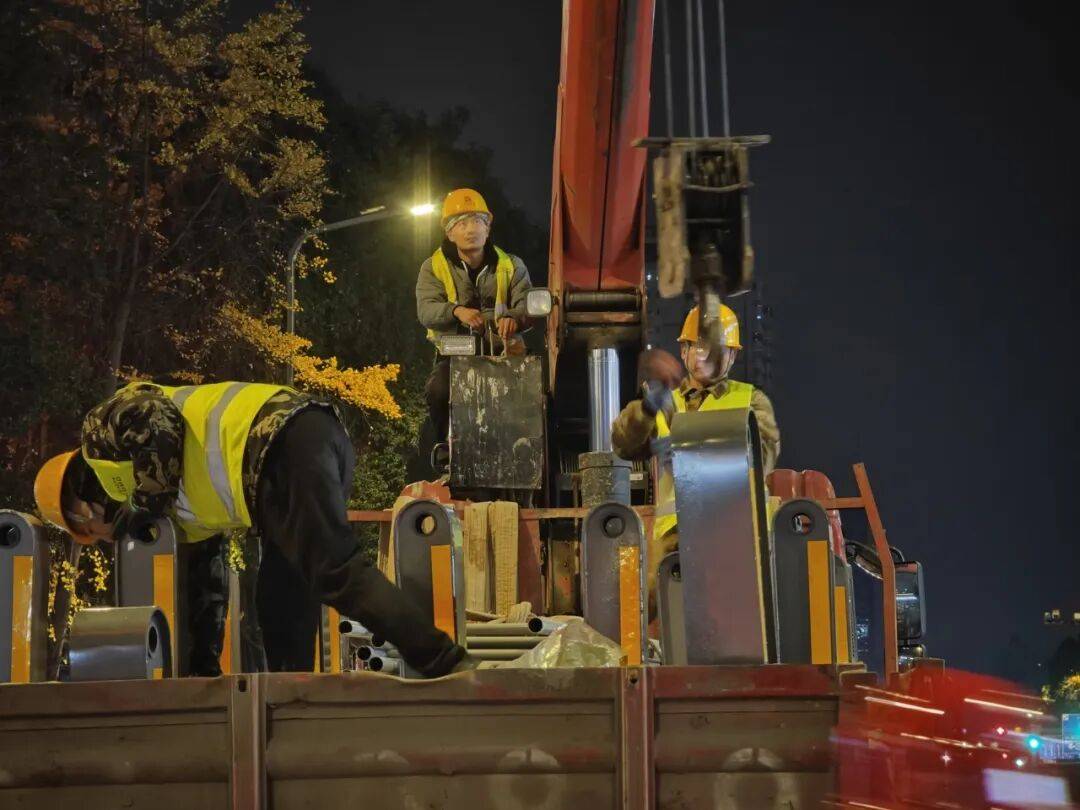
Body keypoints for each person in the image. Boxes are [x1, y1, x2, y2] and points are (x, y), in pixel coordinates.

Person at [34, 380, 473, 676]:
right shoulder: (178, 515)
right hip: (300, 449)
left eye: (91, 532)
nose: (104, 537)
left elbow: (156, 418)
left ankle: (443, 661)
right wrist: (202, 668)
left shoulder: (99, 433)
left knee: (334, 570)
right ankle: (293, 697)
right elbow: (205, 583)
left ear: (81, 510)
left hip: (280, 441)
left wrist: (143, 504)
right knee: (281, 593)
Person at [611, 304, 781, 601]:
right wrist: (647, 409)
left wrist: (691, 450)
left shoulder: (752, 401)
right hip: (675, 539)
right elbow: (623, 445)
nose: (706, 356)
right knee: (649, 613)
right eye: (699, 347)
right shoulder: (664, 404)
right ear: (684, 350)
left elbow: (763, 458)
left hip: (737, 533)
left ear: (732, 355)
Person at [415, 188, 533, 457]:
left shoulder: (512, 265)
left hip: (505, 352)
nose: (471, 229)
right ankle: (444, 446)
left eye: (478, 221)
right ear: (449, 232)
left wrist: (513, 318)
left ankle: (524, 446)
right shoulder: (432, 267)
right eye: (462, 223)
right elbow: (426, 310)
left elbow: (527, 303)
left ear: (488, 228)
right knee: (438, 388)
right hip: (455, 356)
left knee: (530, 393)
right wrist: (456, 311)